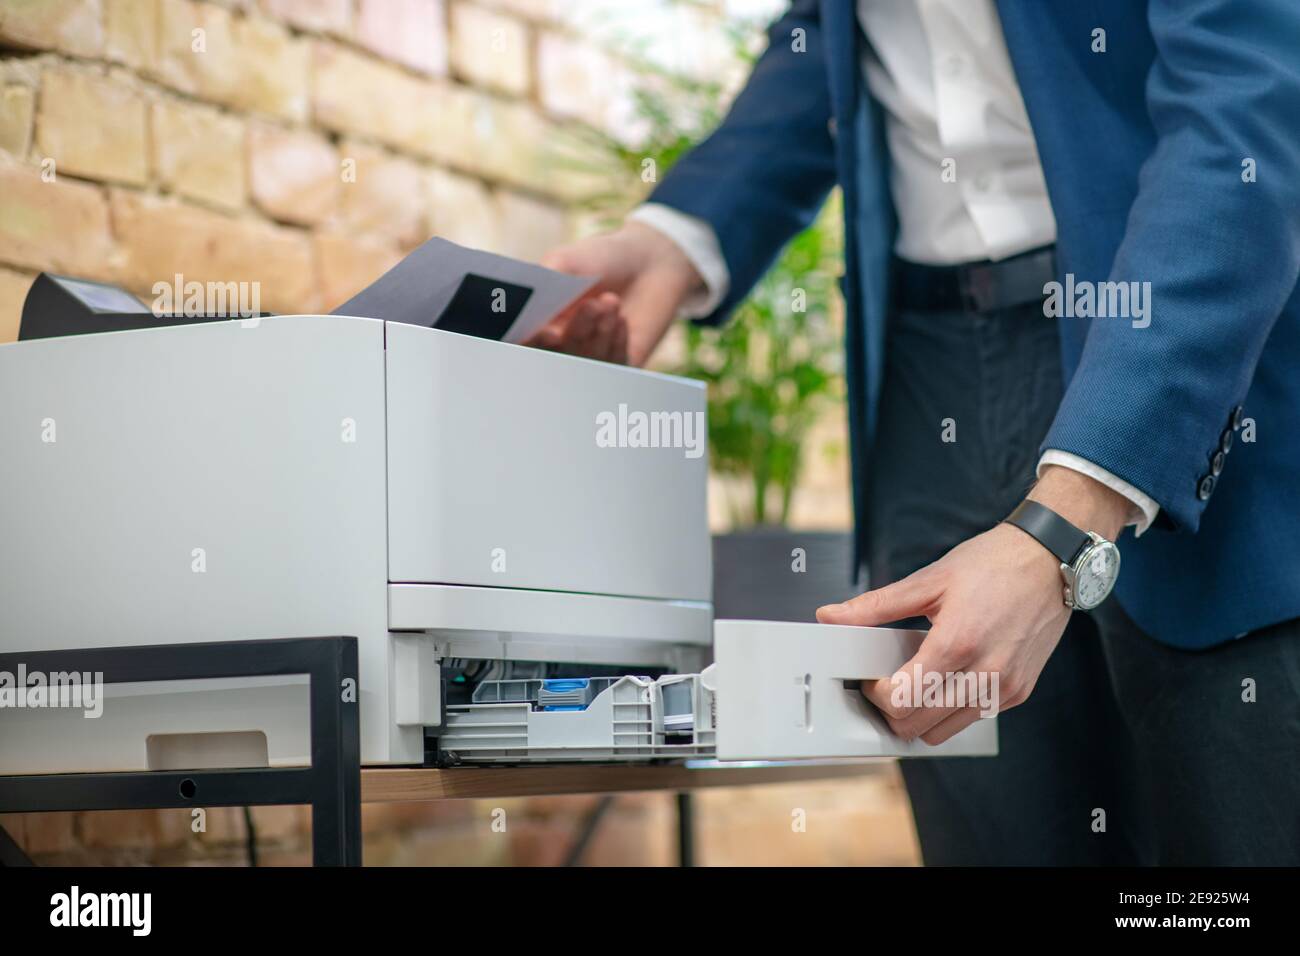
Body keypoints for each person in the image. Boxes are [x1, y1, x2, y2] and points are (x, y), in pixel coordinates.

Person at [527, 0, 1300, 865]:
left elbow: (1249, 110)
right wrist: (677, 237)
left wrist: (1069, 517)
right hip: (924, 379)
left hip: (1178, 360)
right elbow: (828, 30)